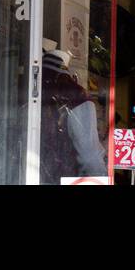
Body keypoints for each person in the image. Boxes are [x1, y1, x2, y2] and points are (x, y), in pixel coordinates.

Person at [40, 42, 108, 184]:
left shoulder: (29, 85)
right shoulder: (77, 95)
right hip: (63, 176)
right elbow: (89, 155)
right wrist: (101, 178)